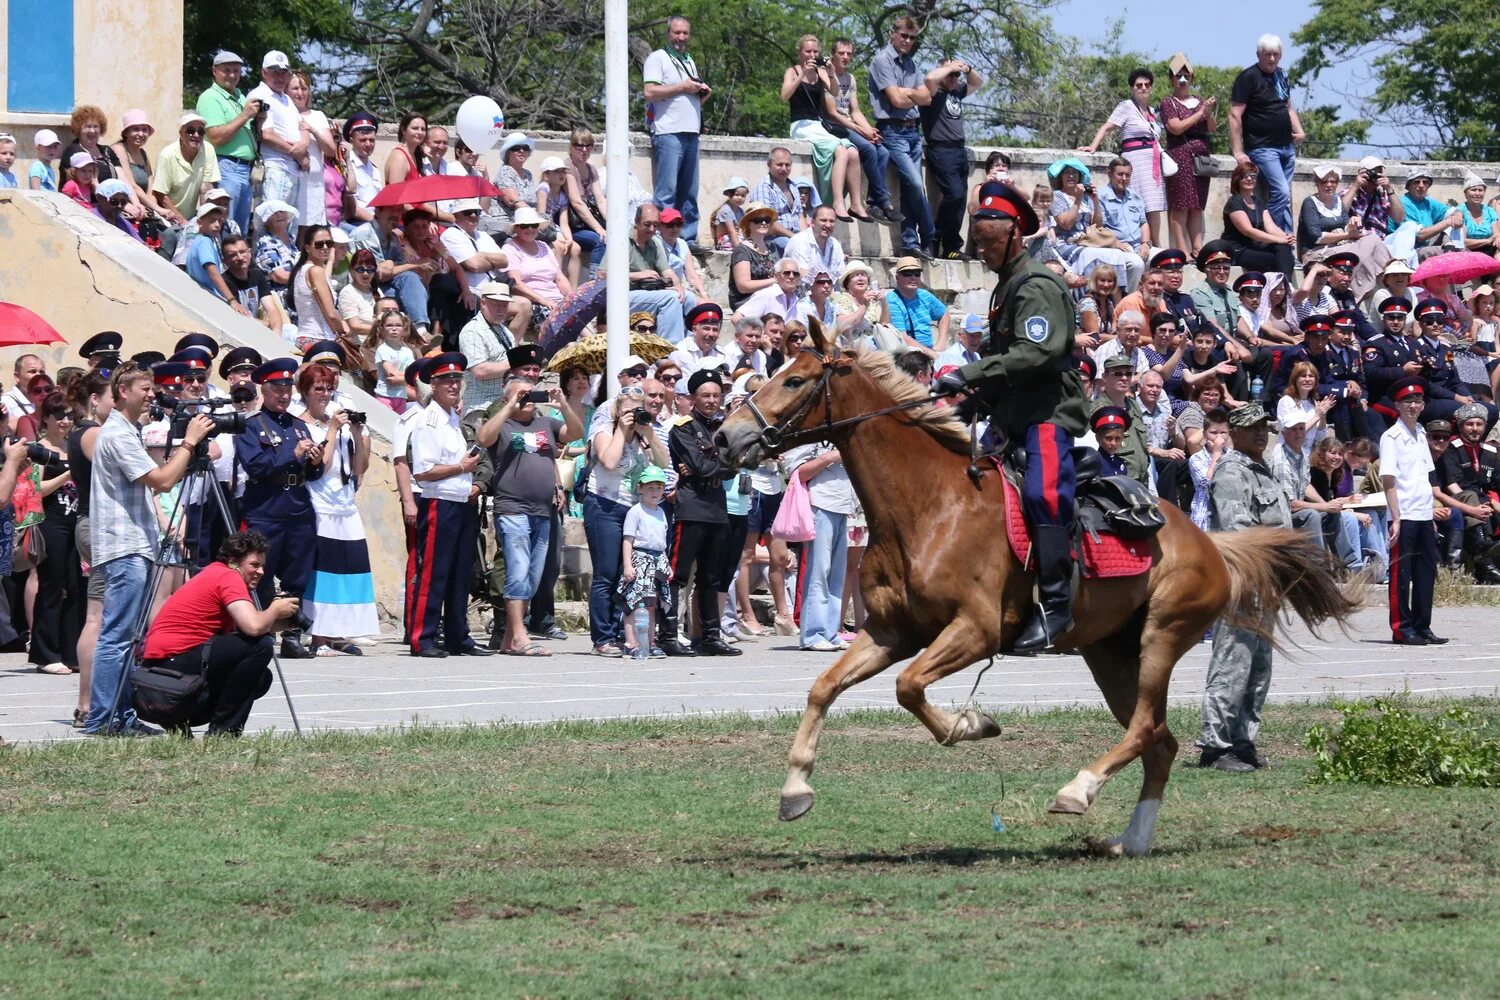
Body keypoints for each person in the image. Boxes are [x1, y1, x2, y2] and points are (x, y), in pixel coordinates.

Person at [933, 181, 1087, 652]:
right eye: (977, 242)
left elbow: (1036, 353)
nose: (980, 251)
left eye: (987, 242)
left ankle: (1057, 606)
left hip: (1046, 414)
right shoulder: (1007, 285)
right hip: (1013, 413)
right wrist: (969, 398)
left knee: (1043, 494)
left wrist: (969, 373)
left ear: (1014, 234)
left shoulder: (1035, 285)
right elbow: (1009, 363)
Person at [81, 363, 216, 736]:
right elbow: (163, 480)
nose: (152, 394)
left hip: (133, 543)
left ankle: (120, 715)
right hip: (124, 545)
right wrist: (189, 442)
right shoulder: (117, 435)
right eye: (145, 388)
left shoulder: (127, 431)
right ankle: (104, 718)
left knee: (126, 636)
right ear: (123, 391)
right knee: (117, 636)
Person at [1197, 402, 1291, 772]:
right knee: (1232, 663)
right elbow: (1237, 532)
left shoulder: (1262, 470)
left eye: (1264, 427)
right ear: (1233, 434)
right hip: (1244, 581)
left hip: (1267, 582)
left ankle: (1242, 742)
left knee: (1258, 667)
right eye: (1252, 428)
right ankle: (1215, 748)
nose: (1260, 433)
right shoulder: (1232, 471)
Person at [137, 530, 299, 736]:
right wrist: (275, 609)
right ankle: (224, 732)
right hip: (172, 663)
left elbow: (247, 627)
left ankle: (183, 725)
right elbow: (253, 627)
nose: (260, 572)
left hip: (161, 664)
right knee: (260, 647)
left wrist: (283, 623)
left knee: (260, 676)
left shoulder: (215, 572)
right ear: (233, 561)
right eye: (254, 565)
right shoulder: (229, 576)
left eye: (262, 566)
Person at [477, 375, 582, 655]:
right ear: (507, 398)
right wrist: (510, 405)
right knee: (518, 570)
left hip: (543, 510)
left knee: (533, 576)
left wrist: (563, 404)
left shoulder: (546, 423)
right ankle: (520, 636)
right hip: (513, 509)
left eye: (530, 394)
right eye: (521, 394)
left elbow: (575, 432)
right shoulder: (503, 424)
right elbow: (483, 438)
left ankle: (509, 639)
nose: (527, 399)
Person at [406, 353, 491, 657]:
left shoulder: (453, 418)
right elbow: (423, 471)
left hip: (461, 501)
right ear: (434, 385)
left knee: (460, 573)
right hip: (439, 502)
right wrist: (460, 468)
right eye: (447, 381)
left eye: (457, 379)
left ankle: (458, 636)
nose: (454, 385)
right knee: (434, 573)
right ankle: (422, 637)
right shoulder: (428, 421)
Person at [295, 366, 377, 655]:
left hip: (345, 503)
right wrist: (331, 429)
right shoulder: (301, 425)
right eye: (318, 388)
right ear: (305, 392)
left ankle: (338, 632)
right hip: (319, 504)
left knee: (349, 571)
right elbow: (322, 466)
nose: (325, 394)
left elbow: (359, 467)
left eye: (329, 388)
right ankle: (318, 637)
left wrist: (356, 433)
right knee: (323, 574)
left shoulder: (338, 424)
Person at [660, 369, 741, 657]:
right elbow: (701, 467)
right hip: (692, 506)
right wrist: (721, 464)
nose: (711, 400)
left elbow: (733, 465)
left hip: (717, 505)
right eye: (705, 395)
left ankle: (709, 637)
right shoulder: (683, 428)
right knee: (677, 574)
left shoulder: (723, 427)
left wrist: (716, 465)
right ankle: (668, 635)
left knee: (711, 576)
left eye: (716, 395)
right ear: (693, 398)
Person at [1381, 377, 1445, 645]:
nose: (1413, 406)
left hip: (1422, 513)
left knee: (1425, 573)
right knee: (1401, 575)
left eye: (1417, 401)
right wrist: (1395, 518)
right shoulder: (1390, 437)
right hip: (1404, 514)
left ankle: (1422, 625)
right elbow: (1388, 480)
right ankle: (1401, 628)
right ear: (1397, 405)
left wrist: (1430, 513)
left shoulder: (1420, 433)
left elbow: (1426, 477)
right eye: (1407, 401)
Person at [781, 36, 872, 223]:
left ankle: (856, 204)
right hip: (800, 125)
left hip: (818, 125)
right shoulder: (792, 71)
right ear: (800, 52)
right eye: (808, 51)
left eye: (815, 51)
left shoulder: (819, 72)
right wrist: (801, 75)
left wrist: (830, 73)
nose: (812, 55)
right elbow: (784, 96)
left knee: (852, 151)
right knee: (840, 149)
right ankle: (836, 203)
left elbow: (835, 91)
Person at [868, 14, 937, 259]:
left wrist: (907, 92)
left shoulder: (910, 63)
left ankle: (910, 241)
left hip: (913, 131)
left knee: (911, 189)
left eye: (912, 37)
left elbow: (927, 98)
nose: (907, 41)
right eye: (904, 35)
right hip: (892, 131)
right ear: (893, 34)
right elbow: (896, 100)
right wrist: (911, 94)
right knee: (916, 184)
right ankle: (930, 235)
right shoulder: (882, 60)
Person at [1079, 67, 1168, 246]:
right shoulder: (1126, 106)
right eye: (1139, 85)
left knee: (1153, 205)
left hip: (1152, 161)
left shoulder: (1152, 112)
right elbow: (1107, 127)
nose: (1143, 88)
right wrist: (1093, 146)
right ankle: (1133, 241)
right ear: (1132, 88)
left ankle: (1155, 244)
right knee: (1135, 201)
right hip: (1135, 158)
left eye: (1147, 84)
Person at [1229, 34, 1305, 235]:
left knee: (1285, 196)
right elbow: (1235, 115)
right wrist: (1238, 151)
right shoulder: (1248, 77)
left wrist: (1299, 131)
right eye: (1267, 54)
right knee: (1281, 193)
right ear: (1259, 55)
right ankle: (1265, 233)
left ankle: (1285, 241)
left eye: (1275, 55)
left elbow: (1288, 107)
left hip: (1286, 146)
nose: (1272, 59)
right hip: (1262, 147)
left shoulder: (1282, 75)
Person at [644, 15, 710, 243]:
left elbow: (684, 99)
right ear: (668, 33)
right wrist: (683, 86)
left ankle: (687, 240)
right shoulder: (657, 58)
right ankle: (660, 240)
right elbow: (650, 92)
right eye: (677, 32)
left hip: (691, 132)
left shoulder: (689, 60)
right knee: (667, 192)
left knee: (689, 191)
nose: (681, 37)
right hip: (668, 132)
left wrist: (701, 94)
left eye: (685, 33)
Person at [827, 37, 898, 223]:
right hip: (834, 126)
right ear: (833, 54)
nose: (845, 57)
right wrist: (861, 131)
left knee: (883, 151)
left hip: (849, 123)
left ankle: (874, 202)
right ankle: (885, 203)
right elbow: (832, 113)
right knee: (868, 149)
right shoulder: (827, 75)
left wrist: (869, 130)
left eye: (849, 54)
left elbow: (856, 111)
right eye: (841, 53)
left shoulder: (850, 78)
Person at [1159, 53, 1217, 254]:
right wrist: (1200, 113)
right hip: (1180, 157)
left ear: (1192, 79)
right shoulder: (1168, 103)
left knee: (1197, 204)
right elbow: (1175, 128)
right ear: (1172, 79)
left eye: (1186, 76)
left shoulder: (1199, 101)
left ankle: (1197, 247)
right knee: (1181, 204)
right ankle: (1182, 249)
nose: (1183, 80)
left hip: (1201, 158)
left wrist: (1208, 113)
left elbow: (1211, 128)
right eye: (1178, 76)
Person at [196, 51, 258, 235]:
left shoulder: (240, 97)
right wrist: (245, 116)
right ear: (214, 71)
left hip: (245, 170)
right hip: (226, 166)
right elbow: (216, 137)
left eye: (236, 71)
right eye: (227, 70)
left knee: (240, 229)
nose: (232, 75)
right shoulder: (210, 98)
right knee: (225, 225)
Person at [1439, 401, 1500, 583]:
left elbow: (1495, 482)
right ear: (1461, 426)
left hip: (1485, 499)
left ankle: (1488, 561)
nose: (1475, 429)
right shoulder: (1451, 448)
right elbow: (1452, 485)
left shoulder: (1490, 451)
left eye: (1479, 424)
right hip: (1460, 497)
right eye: (1470, 424)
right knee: (1475, 500)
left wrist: (1493, 501)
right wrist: (1485, 504)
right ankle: (1483, 553)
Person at [246, 51, 309, 207]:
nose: (280, 77)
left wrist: (303, 146)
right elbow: (267, 135)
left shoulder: (286, 98)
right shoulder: (260, 95)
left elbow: (303, 126)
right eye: (275, 72)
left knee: (289, 220)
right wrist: (297, 154)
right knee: (272, 217)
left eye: (283, 72)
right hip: (274, 168)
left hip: (293, 169)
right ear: (264, 73)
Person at [149, 112, 221, 235]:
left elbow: (206, 189)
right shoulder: (167, 155)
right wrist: (182, 222)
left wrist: (203, 221)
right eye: (190, 131)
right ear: (181, 133)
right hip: (167, 217)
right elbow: (161, 195)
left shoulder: (208, 149)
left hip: (191, 217)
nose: (196, 135)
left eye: (201, 132)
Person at [1222, 161, 1295, 280]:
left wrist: (1286, 237)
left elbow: (1271, 227)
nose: (1249, 179)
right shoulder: (1234, 202)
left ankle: (1287, 284)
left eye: (1253, 176)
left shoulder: (1258, 202)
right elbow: (1248, 231)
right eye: (1245, 176)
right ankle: (1282, 284)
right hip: (1237, 249)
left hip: (1254, 247)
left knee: (1283, 248)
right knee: (1272, 259)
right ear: (1237, 179)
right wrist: (1278, 239)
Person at [288, 70, 335, 227]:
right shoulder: (283, 114)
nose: (300, 93)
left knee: (311, 230)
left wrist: (313, 130)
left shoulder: (318, 116)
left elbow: (330, 150)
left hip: (313, 185)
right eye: (295, 88)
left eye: (304, 89)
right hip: (291, 181)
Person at [563, 128, 608, 270]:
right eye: (579, 145)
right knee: (600, 240)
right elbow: (577, 203)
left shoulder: (591, 169)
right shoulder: (567, 167)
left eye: (588, 146)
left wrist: (612, 224)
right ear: (571, 147)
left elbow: (601, 200)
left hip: (588, 222)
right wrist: (598, 229)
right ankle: (595, 279)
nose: (584, 150)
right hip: (573, 225)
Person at [884, 256, 949, 353]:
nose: (913, 277)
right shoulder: (892, 300)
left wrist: (942, 341)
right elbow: (902, 337)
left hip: (928, 351)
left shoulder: (925, 295)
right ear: (897, 277)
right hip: (908, 354)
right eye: (907, 273)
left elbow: (944, 313)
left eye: (917, 274)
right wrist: (932, 354)